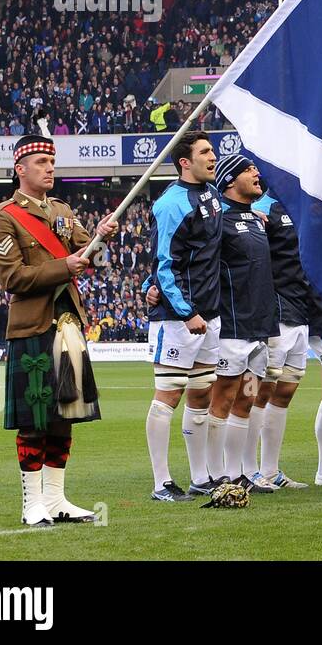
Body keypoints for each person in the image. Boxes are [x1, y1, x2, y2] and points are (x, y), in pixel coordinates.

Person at [0, 134, 116, 525]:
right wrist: (65, 267)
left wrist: (101, 237)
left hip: (69, 323)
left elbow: (90, 255)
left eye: (51, 161)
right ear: (20, 168)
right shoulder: (4, 216)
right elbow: (12, 278)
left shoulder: (62, 209)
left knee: (64, 415)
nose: (49, 168)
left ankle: (57, 499)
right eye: (41, 161)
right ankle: (32, 504)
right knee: (34, 419)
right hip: (32, 326)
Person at [144, 131, 222, 502]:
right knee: (167, 397)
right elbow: (164, 262)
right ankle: (161, 483)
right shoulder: (171, 204)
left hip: (210, 314)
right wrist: (186, 311)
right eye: (205, 152)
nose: (214, 156)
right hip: (180, 318)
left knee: (201, 395)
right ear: (184, 162)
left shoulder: (212, 195)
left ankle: (200, 476)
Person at [206, 153, 278, 492]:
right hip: (232, 329)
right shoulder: (218, 221)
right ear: (230, 181)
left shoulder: (256, 218)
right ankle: (213, 473)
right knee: (222, 399)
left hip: (259, 329)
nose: (256, 173)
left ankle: (237, 473)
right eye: (248, 170)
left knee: (247, 398)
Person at [249, 182, 322, 490]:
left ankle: (270, 470)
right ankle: (248, 469)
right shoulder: (263, 209)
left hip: (302, 309)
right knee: (260, 393)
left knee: (285, 393)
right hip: (277, 312)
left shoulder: (304, 208)